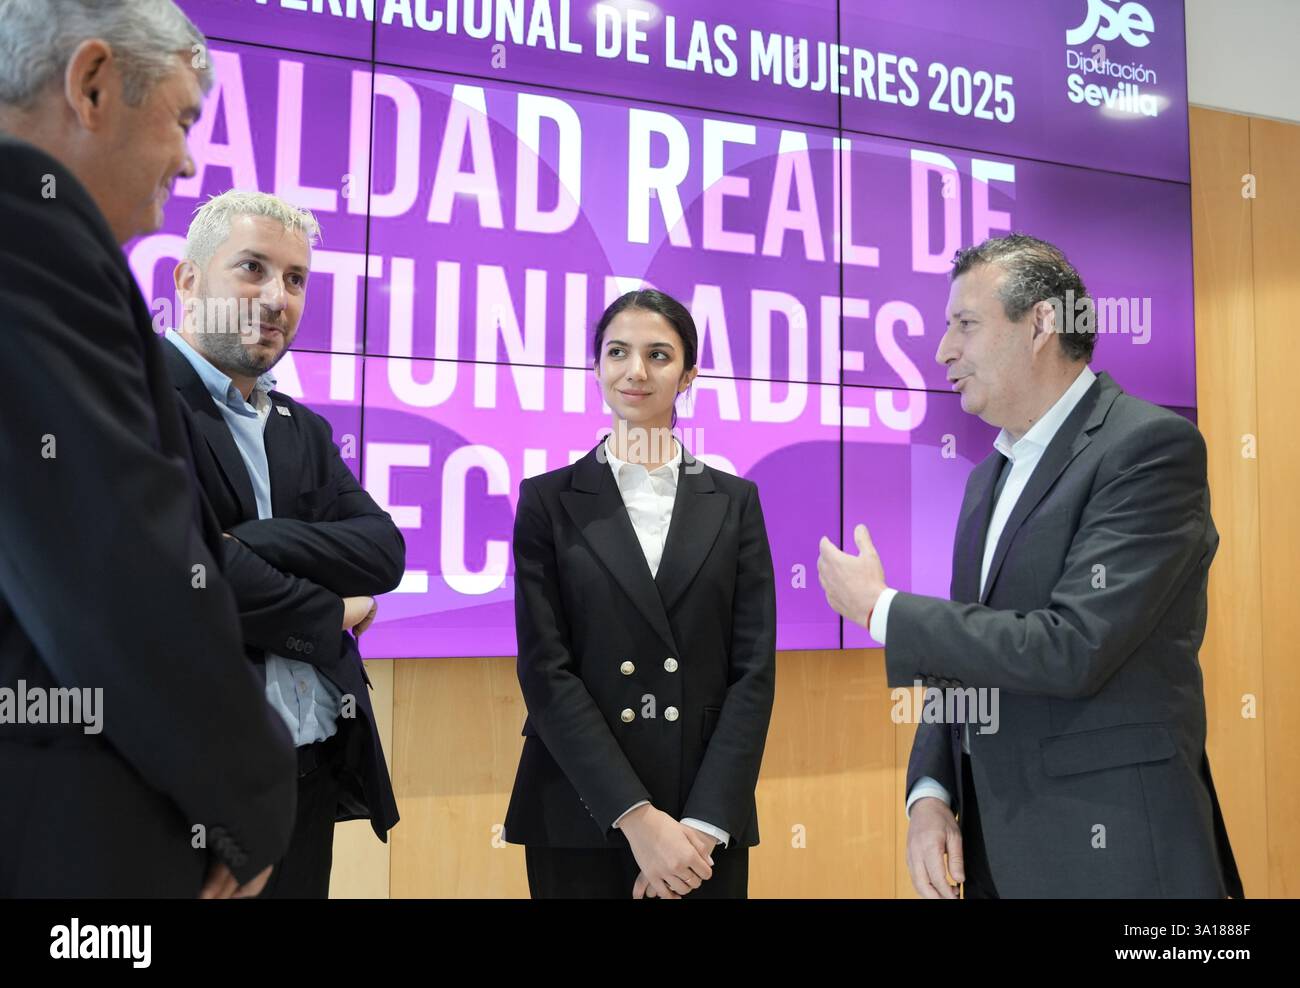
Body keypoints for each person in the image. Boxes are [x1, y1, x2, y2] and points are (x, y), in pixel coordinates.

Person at [818, 233, 1241, 899]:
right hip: (993, 856)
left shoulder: (1150, 448)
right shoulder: (987, 476)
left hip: (1115, 856)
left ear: (1042, 322)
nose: (943, 351)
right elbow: (966, 662)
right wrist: (929, 794)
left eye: (966, 324)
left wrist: (882, 610)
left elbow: (1074, 646)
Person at [0, 0, 295, 897]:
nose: (189, 158)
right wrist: (252, 801)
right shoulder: (31, 234)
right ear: (92, 84)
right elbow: (122, 571)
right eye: (181, 117)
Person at [163, 189, 405, 898]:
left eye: (296, 279)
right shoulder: (135, 395)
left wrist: (261, 538)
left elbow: (382, 552)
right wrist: (332, 610)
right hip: (188, 776)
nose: (276, 297)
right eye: (252, 268)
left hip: (310, 769)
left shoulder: (302, 427)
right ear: (187, 280)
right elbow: (196, 569)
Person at [504, 289, 777, 898]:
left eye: (658, 354)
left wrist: (702, 826)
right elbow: (547, 672)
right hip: (581, 808)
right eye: (617, 352)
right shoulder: (548, 500)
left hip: (701, 818)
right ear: (595, 368)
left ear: (688, 374)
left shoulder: (735, 502)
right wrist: (636, 818)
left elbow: (752, 674)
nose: (636, 371)